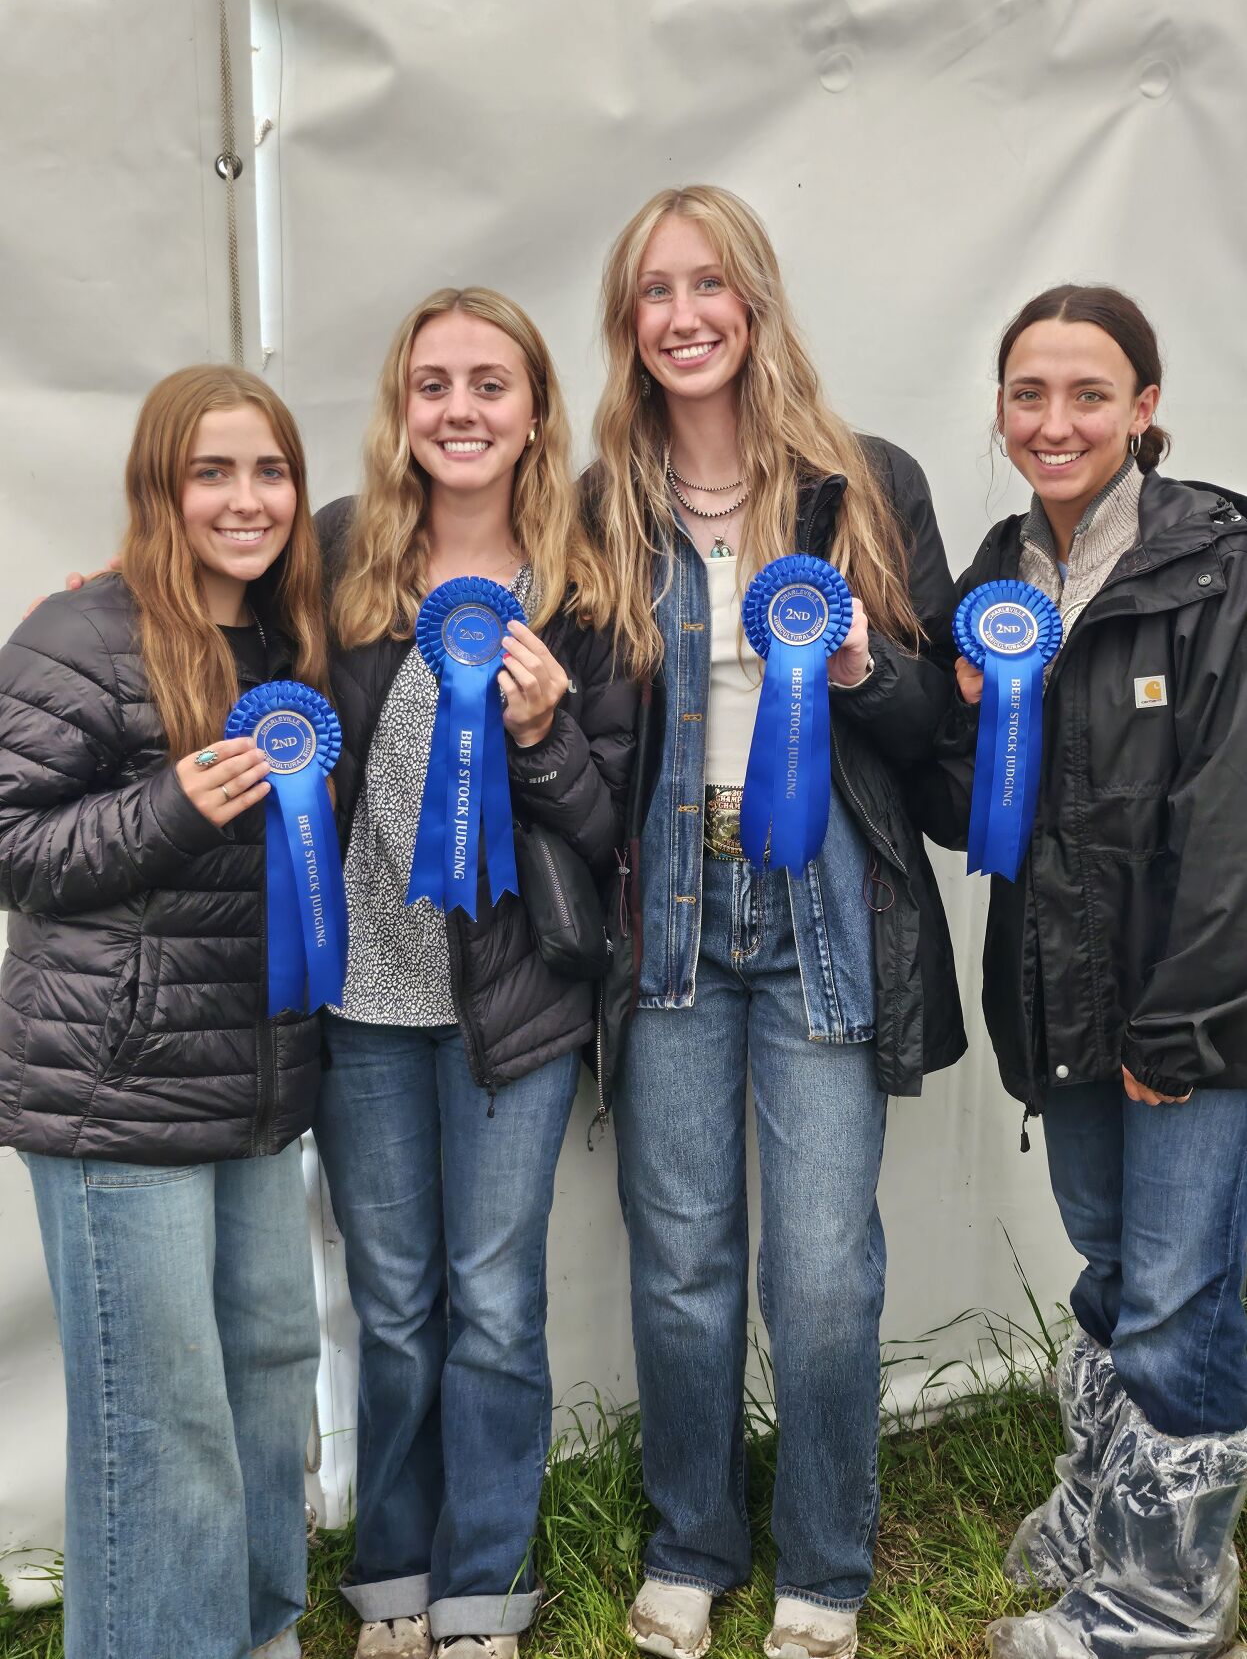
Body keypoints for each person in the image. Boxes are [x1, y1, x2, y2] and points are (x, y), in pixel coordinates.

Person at [588, 184, 965, 1659]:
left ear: (753, 303)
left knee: (821, 1269)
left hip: (826, 905)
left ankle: (824, 1563)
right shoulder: (602, 502)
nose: (683, 316)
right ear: (631, 325)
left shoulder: (866, 481)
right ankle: (691, 1539)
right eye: (653, 293)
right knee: (679, 1264)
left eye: (707, 286)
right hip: (666, 911)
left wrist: (867, 669)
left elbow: (939, 729)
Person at [312, 287, 636, 1659]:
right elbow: (203, 624)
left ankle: (483, 1593)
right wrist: (94, 592)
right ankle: (391, 1573)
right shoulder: (336, 559)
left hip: (514, 1007)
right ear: (403, 408)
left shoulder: (588, 588)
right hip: (358, 1006)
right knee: (393, 1301)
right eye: (433, 384)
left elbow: (618, 820)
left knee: (493, 1303)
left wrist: (550, 733)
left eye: (488, 385)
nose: (459, 410)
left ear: (534, 412)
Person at [924, 284, 1247, 1659]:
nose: (1056, 423)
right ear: (1001, 413)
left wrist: (1178, 1025)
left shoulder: (1216, 567)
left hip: (1193, 1006)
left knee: (1182, 1291)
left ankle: (1170, 1602)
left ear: (1146, 407)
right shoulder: (999, 569)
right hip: (1057, 992)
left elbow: (1231, 818)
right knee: (1114, 1266)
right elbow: (968, 817)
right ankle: (1114, 1511)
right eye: (1029, 396)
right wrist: (948, 720)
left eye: (1089, 394)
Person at [0, 365, 329, 1659]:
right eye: (213, 472)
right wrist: (172, 804)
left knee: (262, 1385)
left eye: (270, 471)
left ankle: (257, 1637)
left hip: (256, 1088)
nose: (245, 500)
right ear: (161, 487)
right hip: (114, 1090)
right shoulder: (79, 635)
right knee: (162, 1420)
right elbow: (11, 842)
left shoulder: (291, 642)